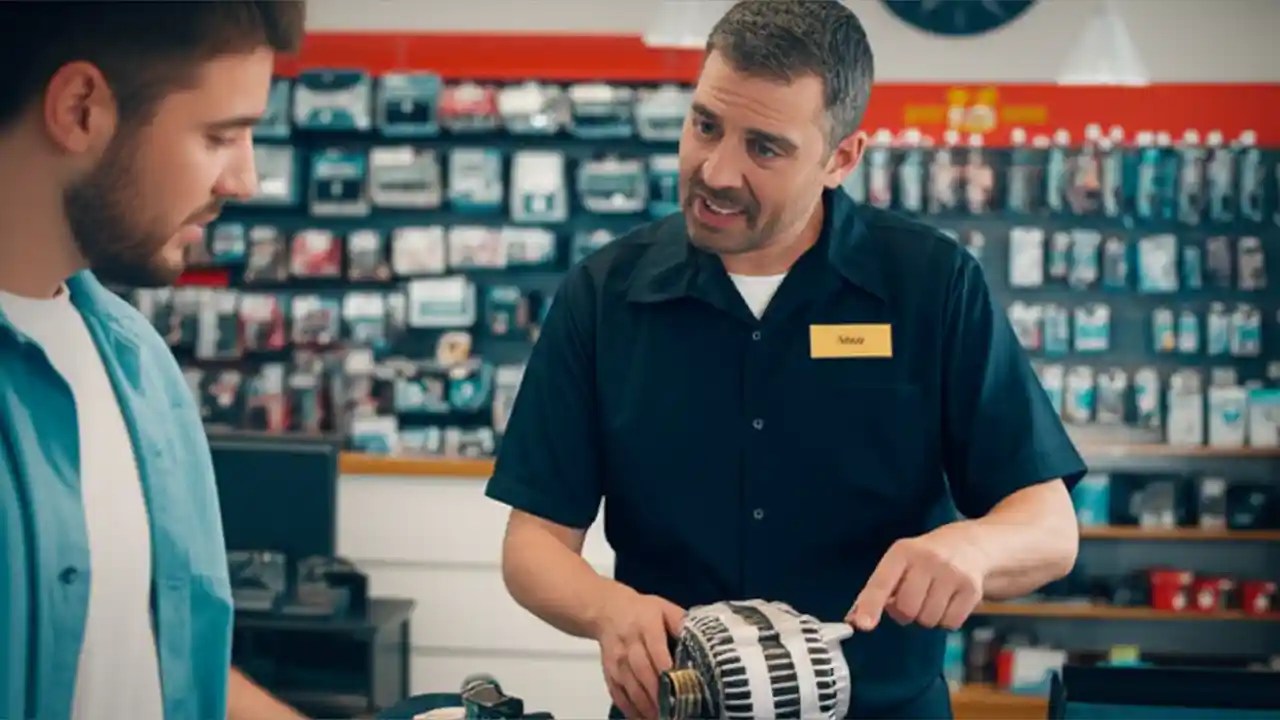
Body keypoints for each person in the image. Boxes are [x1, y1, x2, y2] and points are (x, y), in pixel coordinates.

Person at [486, 1, 1087, 718]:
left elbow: (1050, 528)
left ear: (841, 159)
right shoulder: (604, 292)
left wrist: (976, 548)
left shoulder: (931, 284)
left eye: (764, 148)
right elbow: (533, 544)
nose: (716, 171)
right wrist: (606, 609)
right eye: (705, 124)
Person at [0, 3, 311, 719]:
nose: (246, 180)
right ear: (81, 110)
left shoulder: (141, 368)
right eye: (219, 136)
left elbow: (148, 665)